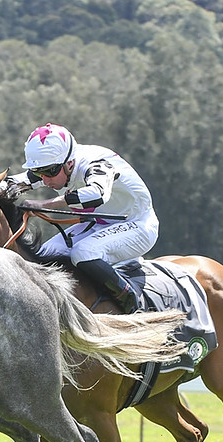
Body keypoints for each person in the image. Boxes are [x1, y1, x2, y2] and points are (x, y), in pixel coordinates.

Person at [16, 123, 158, 313]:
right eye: (38, 172)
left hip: (137, 225)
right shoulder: (57, 166)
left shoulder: (96, 163)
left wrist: (44, 204)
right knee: (42, 257)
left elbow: (97, 194)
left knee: (83, 253)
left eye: (50, 172)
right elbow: (14, 182)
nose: (45, 179)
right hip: (97, 225)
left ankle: (130, 301)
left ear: (70, 163)